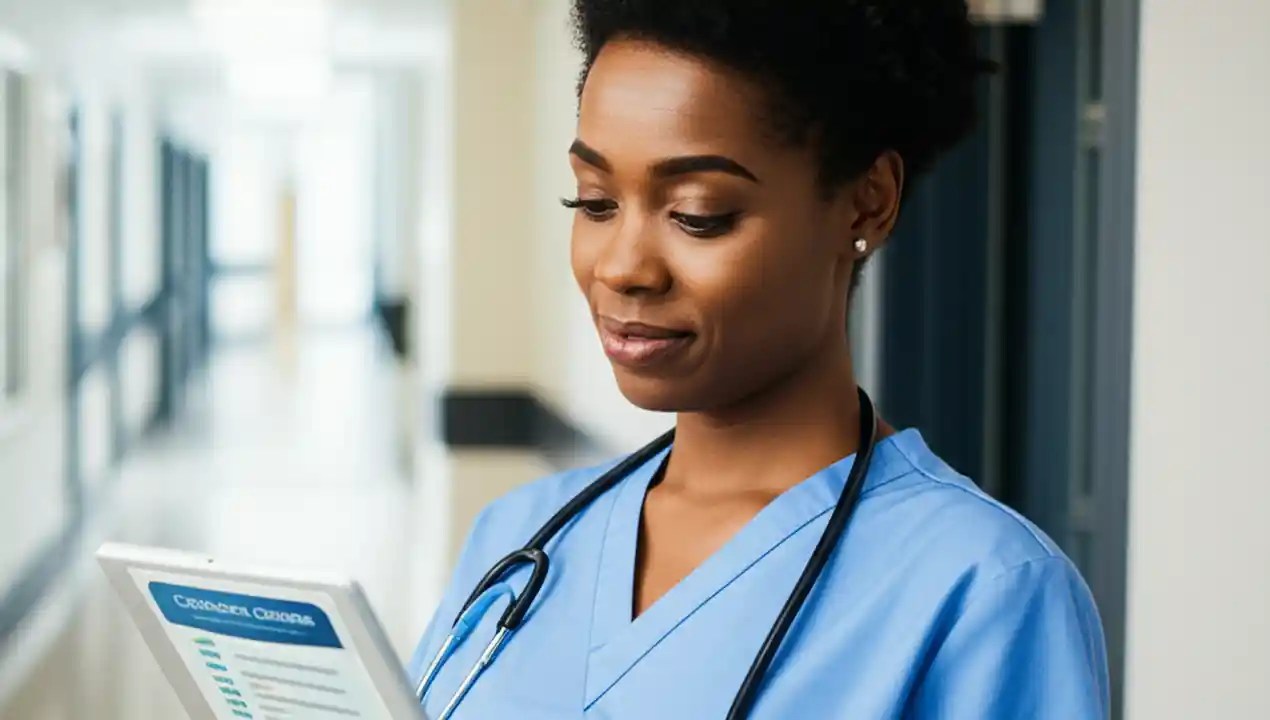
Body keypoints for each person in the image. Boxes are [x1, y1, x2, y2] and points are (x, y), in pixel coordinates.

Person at [410, 1, 1109, 717]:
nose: (623, 267)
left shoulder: (982, 587)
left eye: (697, 214)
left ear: (867, 204)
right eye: (594, 202)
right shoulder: (522, 533)